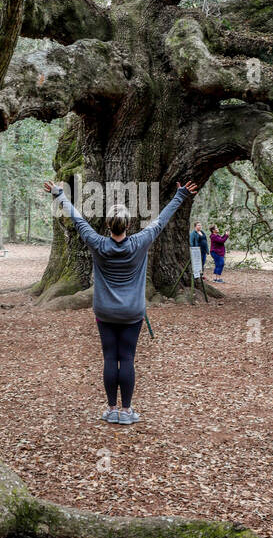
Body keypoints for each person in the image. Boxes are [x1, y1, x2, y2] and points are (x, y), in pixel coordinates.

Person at [45, 177, 198, 423]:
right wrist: (180, 196)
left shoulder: (96, 242)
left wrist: (58, 194)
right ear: (127, 225)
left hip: (105, 311)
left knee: (109, 357)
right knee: (126, 358)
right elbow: (161, 221)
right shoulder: (140, 242)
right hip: (132, 312)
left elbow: (77, 218)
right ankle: (126, 412)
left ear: (108, 225)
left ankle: (111, 409)